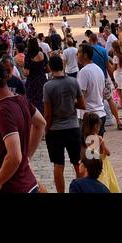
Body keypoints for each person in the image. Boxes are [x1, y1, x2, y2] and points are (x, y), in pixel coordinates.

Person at [0, 58, 46, 193]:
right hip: (26, 182)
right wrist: (27, 156)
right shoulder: (20, 99)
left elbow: (14, 156)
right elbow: (41, 124)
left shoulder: (3, 111)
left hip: (11, 186)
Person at [41, 52, 85, 193]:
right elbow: (82, 105)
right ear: (63, 65)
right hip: (73, 127)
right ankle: (80, 190)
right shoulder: (73, 82)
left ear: (50, 67)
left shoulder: (48, 86)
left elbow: (47, 114)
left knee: (58, 165)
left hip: (55, 129)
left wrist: (46, 129)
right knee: (77, 163)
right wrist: (71, 104)